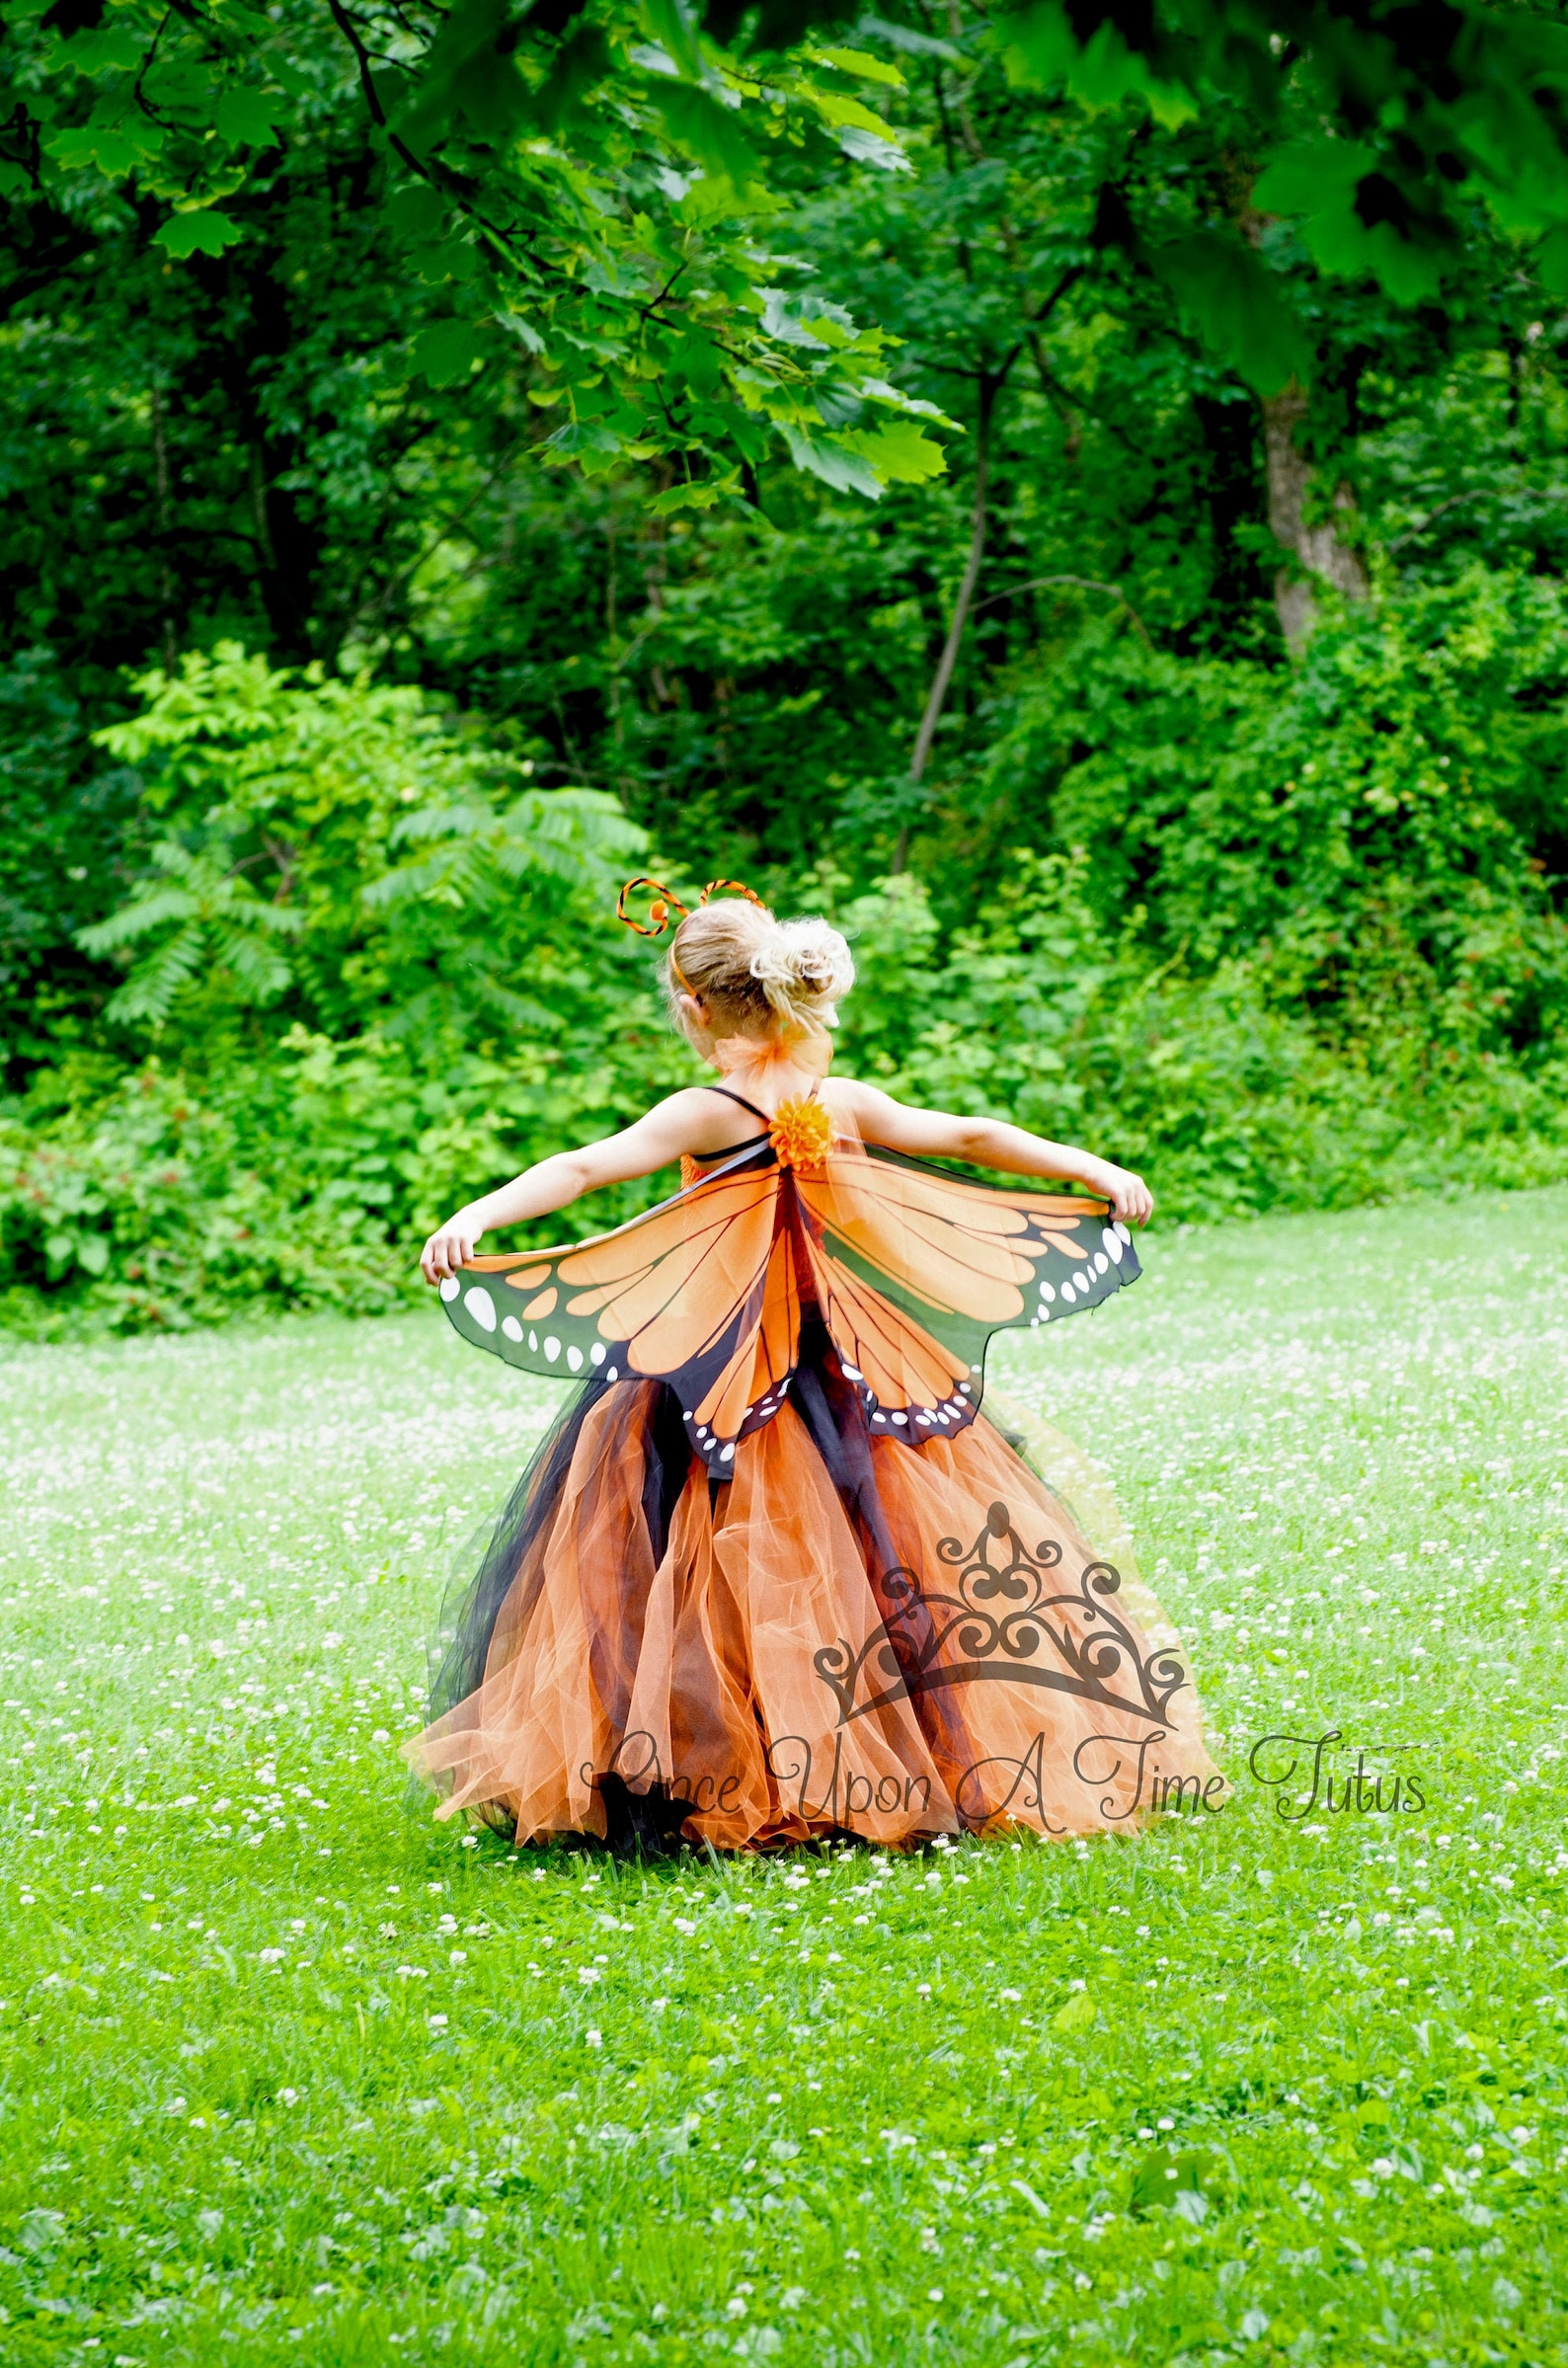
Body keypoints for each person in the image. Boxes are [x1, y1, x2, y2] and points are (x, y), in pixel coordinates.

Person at [408, 878, 1221, 1853]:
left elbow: (585, 1168)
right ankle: (899, 1753)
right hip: (848, 1366)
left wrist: (478, 1215)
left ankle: (739, 1761)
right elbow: (966, 1136)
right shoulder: (836, 1097)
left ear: (692, 1005)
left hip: (715, 1372)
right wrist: (1088, 1166)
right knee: (881, 1556)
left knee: (710, 1564)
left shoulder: (706, 1109)